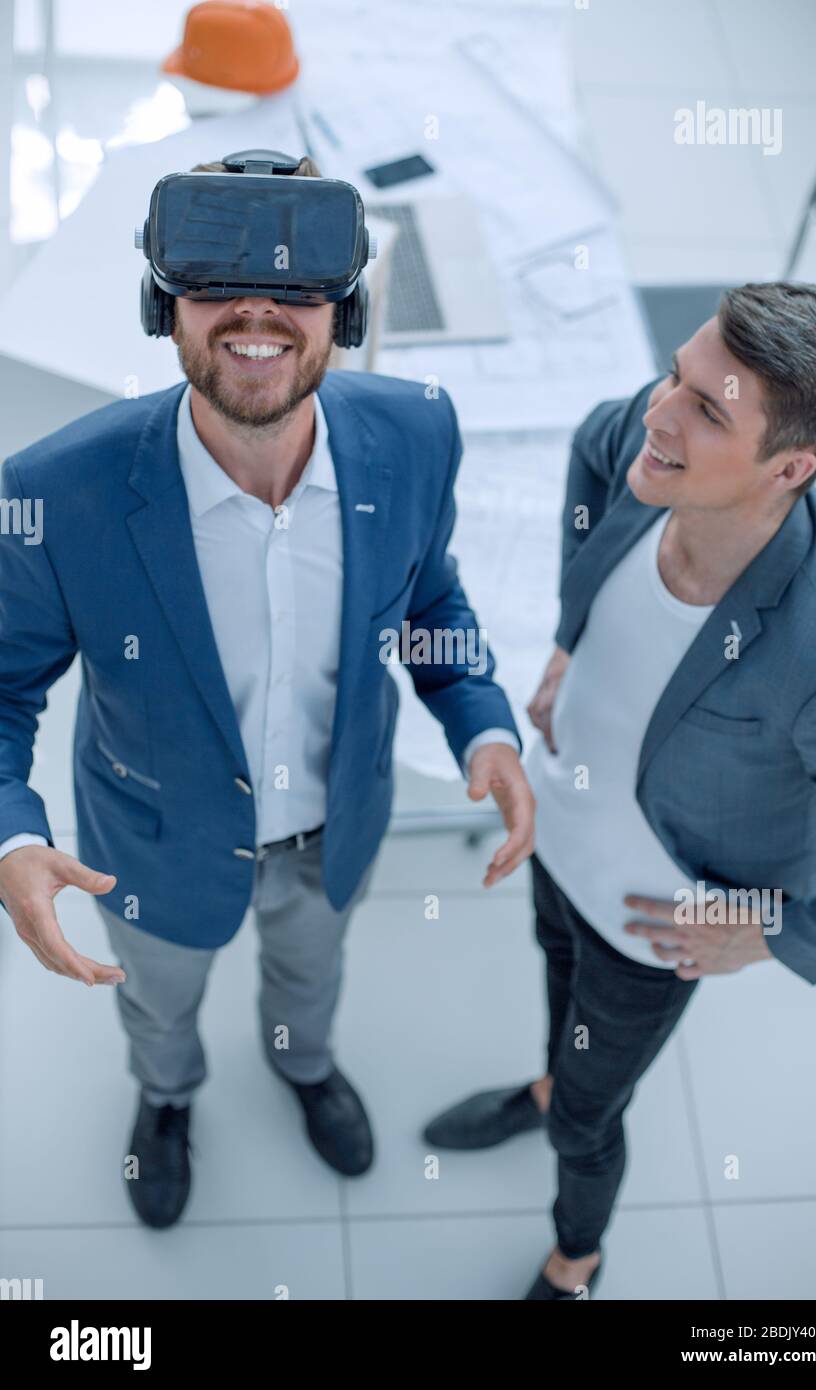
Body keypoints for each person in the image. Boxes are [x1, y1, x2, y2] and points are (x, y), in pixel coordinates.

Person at [0, 154, 534, 1230]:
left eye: (295, 288)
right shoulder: (54, 492)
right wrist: (13, 841)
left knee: (308, 976)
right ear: (164, 308)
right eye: (214, 286)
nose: (257, 315)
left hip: (333, 827)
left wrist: (480, 723)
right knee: (157, 1002)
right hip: (147, 841)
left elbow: (430, 594)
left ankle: (306, 1067)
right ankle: (166, 1096)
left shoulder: (417, 429)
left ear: (344, 309)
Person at [423, 282, 816, 1300]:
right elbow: (592, 445)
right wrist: (569, 637)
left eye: (707, 409)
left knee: (589, 1117)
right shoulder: (649, 444)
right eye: (675, 373)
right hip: (558, 829)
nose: (657, 413)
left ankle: (573, 1262)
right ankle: (546, 1080)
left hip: (657, 920)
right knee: (550, 967)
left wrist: (765, 934)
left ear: (789, 467)